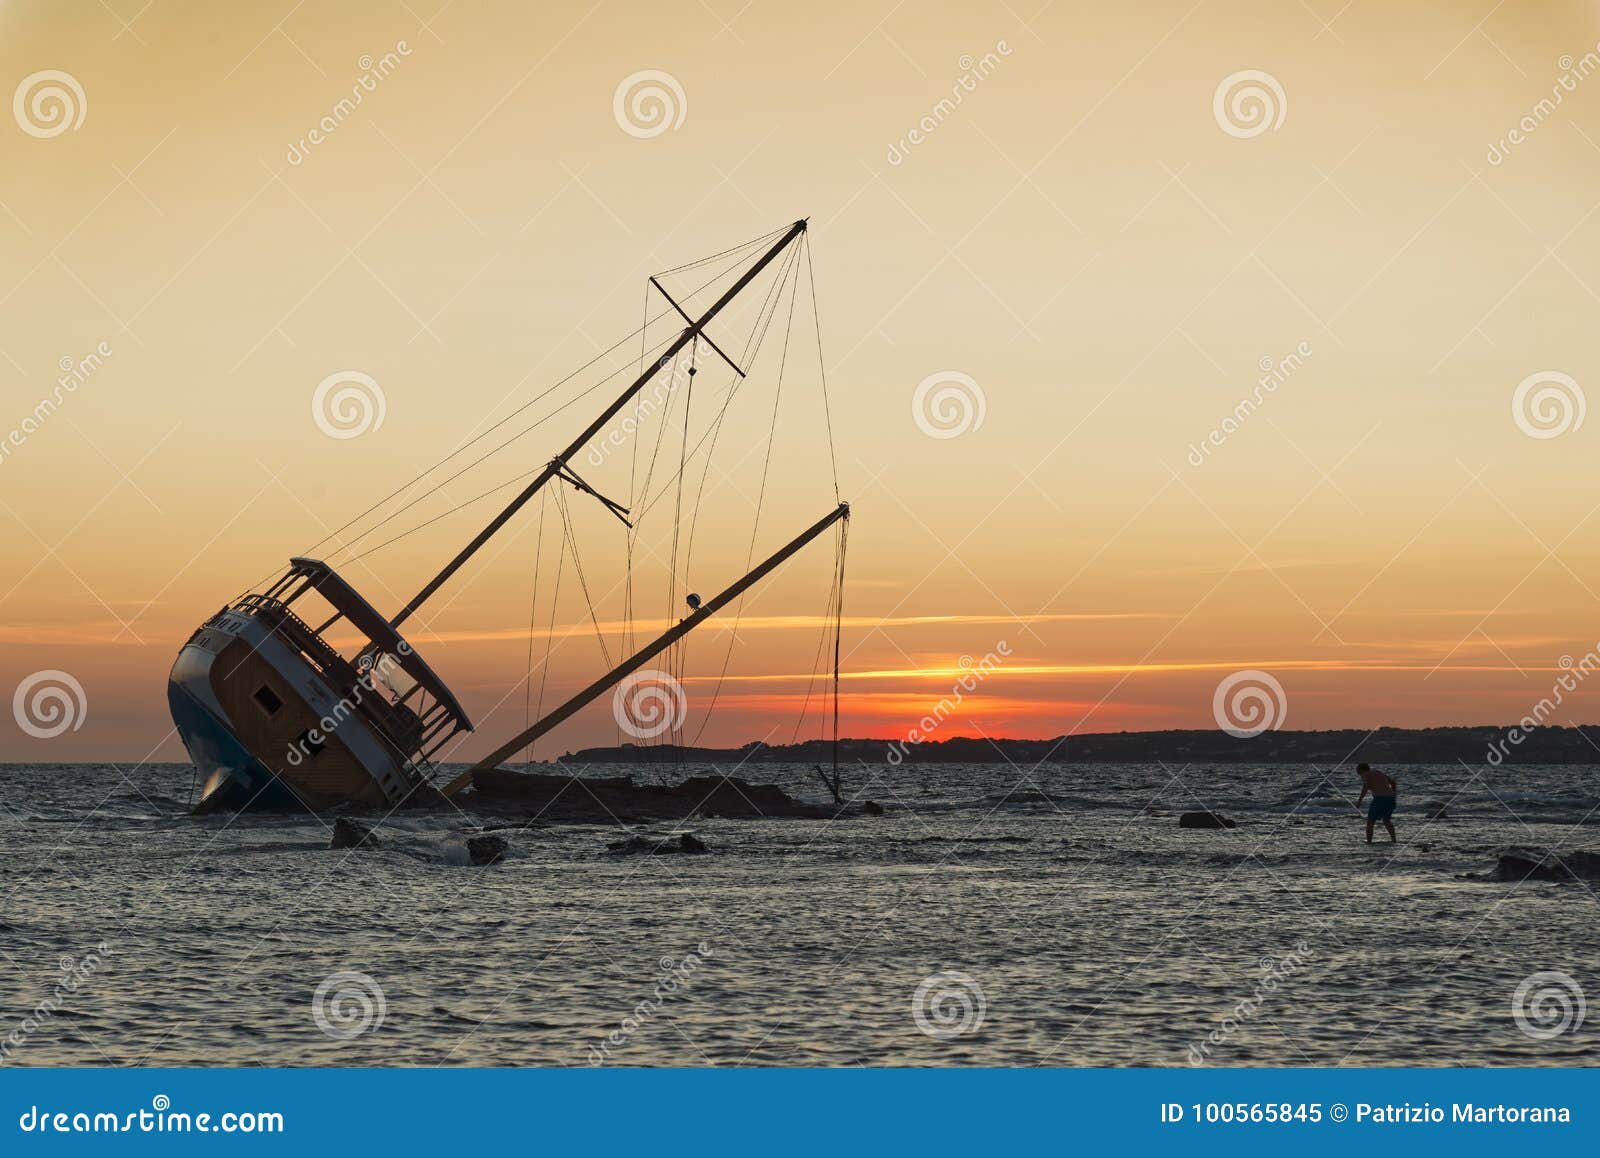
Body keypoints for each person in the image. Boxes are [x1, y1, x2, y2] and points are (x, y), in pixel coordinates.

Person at [1355, 762, 1397, 843]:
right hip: (1390, 799)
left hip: (1379, 799)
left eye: (1359, 773)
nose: (1360, 776)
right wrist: (1394, 797)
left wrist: (1359, 801)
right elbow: (1393, 783)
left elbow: (1366, 787)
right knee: (1386, 820)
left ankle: (1369, 842)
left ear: (1362, 770)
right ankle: (1394, 840)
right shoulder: (1378, 772)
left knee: (1370, 821)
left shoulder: (1366, 775)